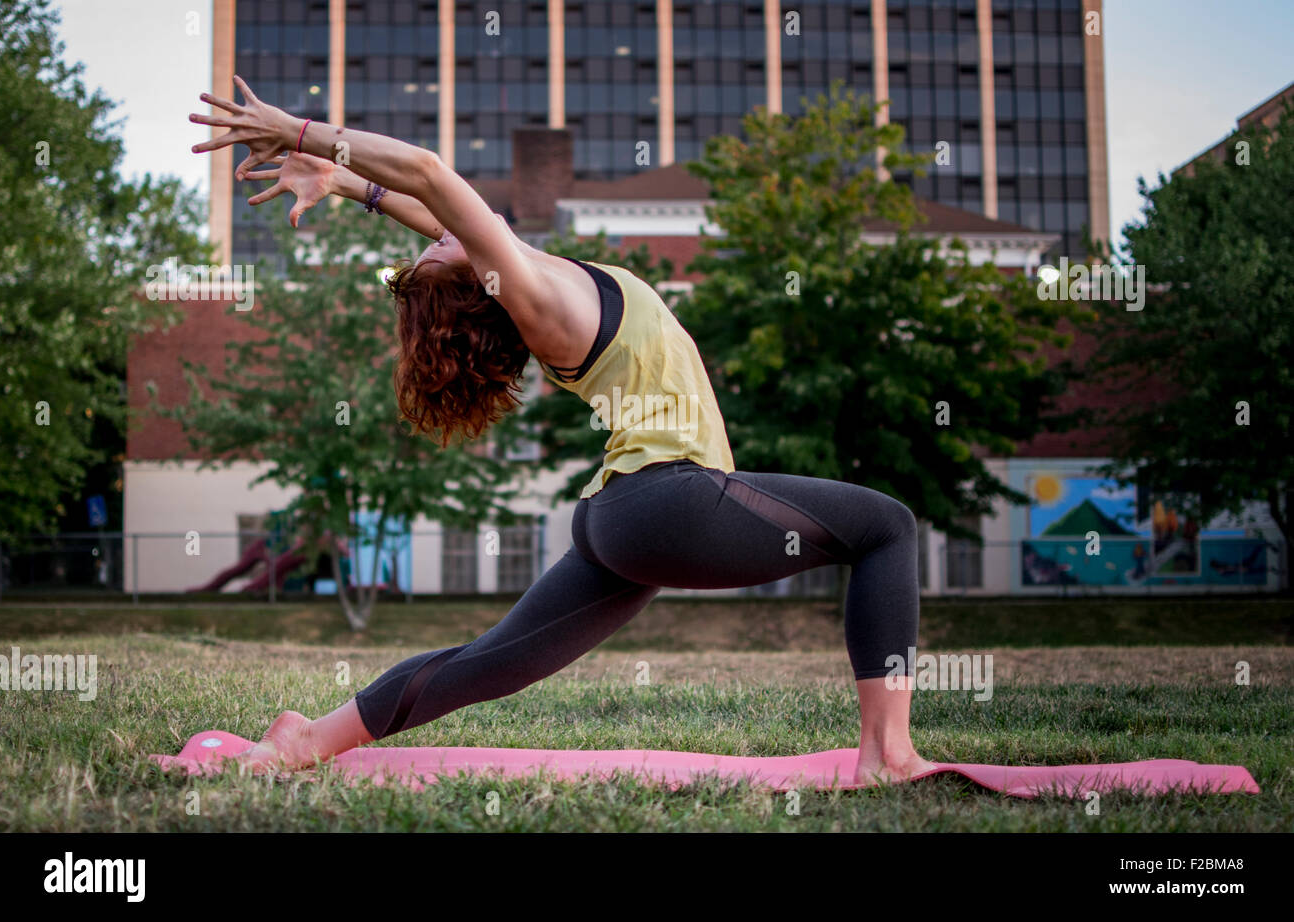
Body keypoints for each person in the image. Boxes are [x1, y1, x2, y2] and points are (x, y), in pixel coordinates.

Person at [189, 76, 935, 786]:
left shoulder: (535, 280)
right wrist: (297, 130)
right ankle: (887, 750)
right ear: (481, 280)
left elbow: (432, 209)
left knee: (491, 663)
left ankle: (310, 737)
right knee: (887, 528)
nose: (447, 234)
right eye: (444, 246)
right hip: (666, 502)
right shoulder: (534, 297)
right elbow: (430, 174)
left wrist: (347, 183)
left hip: (621, 520)